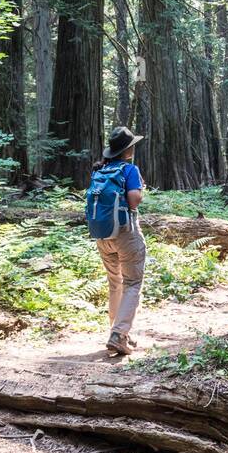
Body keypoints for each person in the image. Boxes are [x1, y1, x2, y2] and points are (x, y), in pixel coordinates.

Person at [89, 126, 146, 356]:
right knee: (132, 283)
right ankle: (119, 334)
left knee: (115, 283)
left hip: (103, 234)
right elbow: (133, 201)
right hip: (125, 233)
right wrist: (140, 188)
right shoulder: (129, 169)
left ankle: (118, 331)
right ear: (128, 150)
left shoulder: (100, 170)